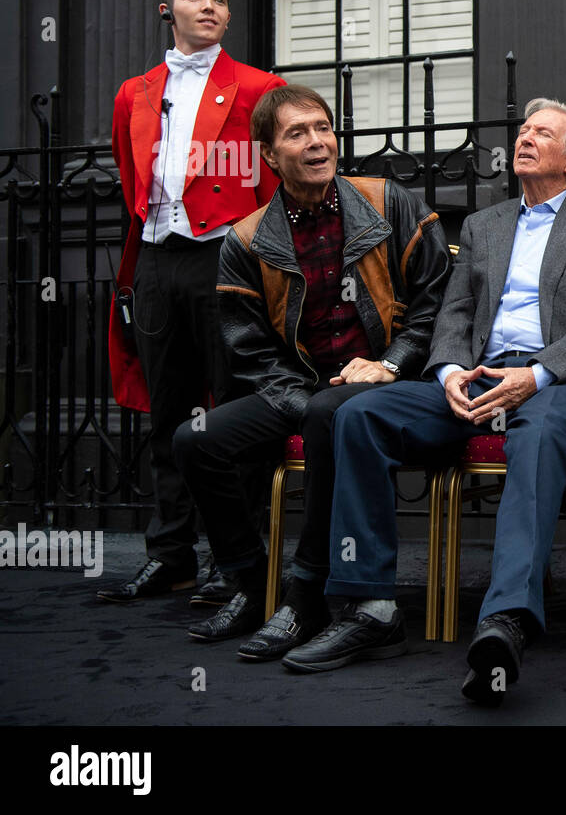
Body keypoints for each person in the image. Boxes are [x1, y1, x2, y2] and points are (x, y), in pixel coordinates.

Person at [282, 98, 566, 706]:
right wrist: (447, 371)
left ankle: (506, 620)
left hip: (564, 384)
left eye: (542, 133)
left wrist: (537, 376)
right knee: (358, 415)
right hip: (475, 377)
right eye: (523, 129)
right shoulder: (483, 226)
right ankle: (369, 607)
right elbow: (453, 316)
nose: (524, 138)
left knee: (536, 429)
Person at [170, 84, 450, 660]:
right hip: (296, 387)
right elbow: (247, 350)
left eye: (323, 128)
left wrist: (390, 364)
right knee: (194, 440)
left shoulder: (390, 203)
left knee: (330, 413)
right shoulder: (246, 239)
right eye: (297, 133)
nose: (318, 142)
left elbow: (434, 307)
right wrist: (300, 397)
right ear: (270, 155)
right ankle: (249, 585)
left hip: (386, 381)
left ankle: (305, 595)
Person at [102, 0, 286, 605]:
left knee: (229, 412)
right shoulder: (135, 91)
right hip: (157, 260)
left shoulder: (261, 87)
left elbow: (273, 188)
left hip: (224, 260)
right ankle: (171, 552)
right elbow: (133, 178)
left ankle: (234, 562)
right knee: (167, 412)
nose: (211, 6)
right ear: (168, 9)